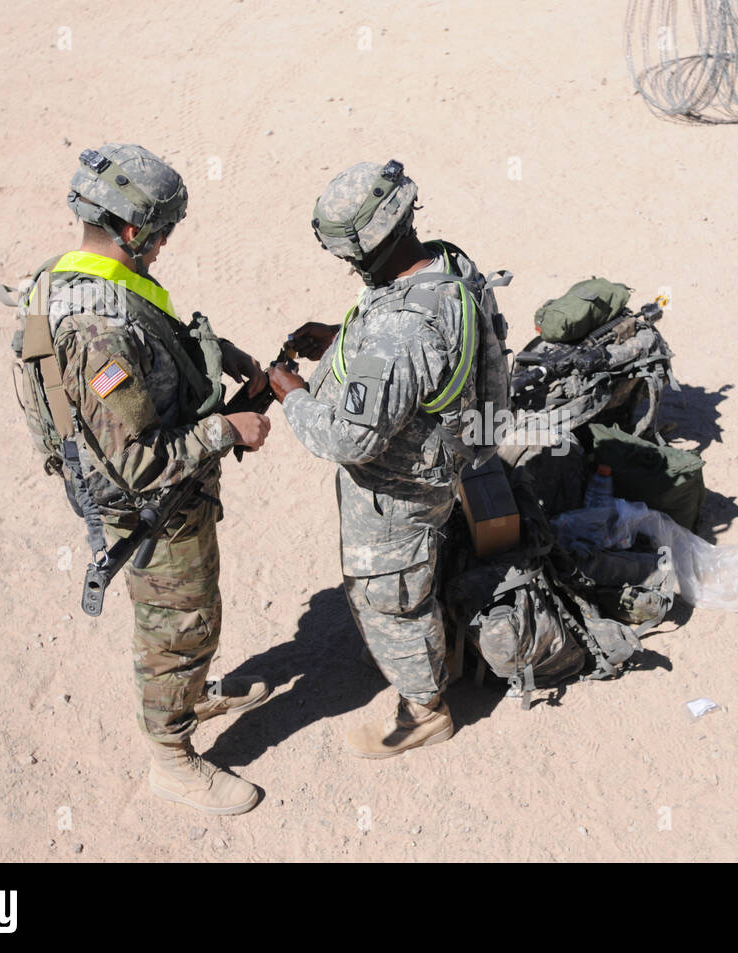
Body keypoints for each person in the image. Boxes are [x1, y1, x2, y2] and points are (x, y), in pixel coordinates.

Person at [28, 144, 275, 814]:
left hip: (171, 499)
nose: (165, 247)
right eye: (162, 234)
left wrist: (229, 357)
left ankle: (193, 695)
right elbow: (133, 463)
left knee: (195, 614)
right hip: (149, 512)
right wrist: (229, 429)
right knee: (175, 625)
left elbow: (156, 332)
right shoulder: (94, 327)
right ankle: (172, 756)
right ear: (133, 231)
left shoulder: (80, 275)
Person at [267, 159, 500, 759]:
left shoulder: (401, 329)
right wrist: (342, 337)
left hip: (398, 490)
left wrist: (291, 395)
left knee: (389, 594)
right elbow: (413, 349)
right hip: (439, 460)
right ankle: (422, 651)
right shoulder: (447, 267)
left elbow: (348, 439)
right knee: (410, 576)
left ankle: (424, 709)